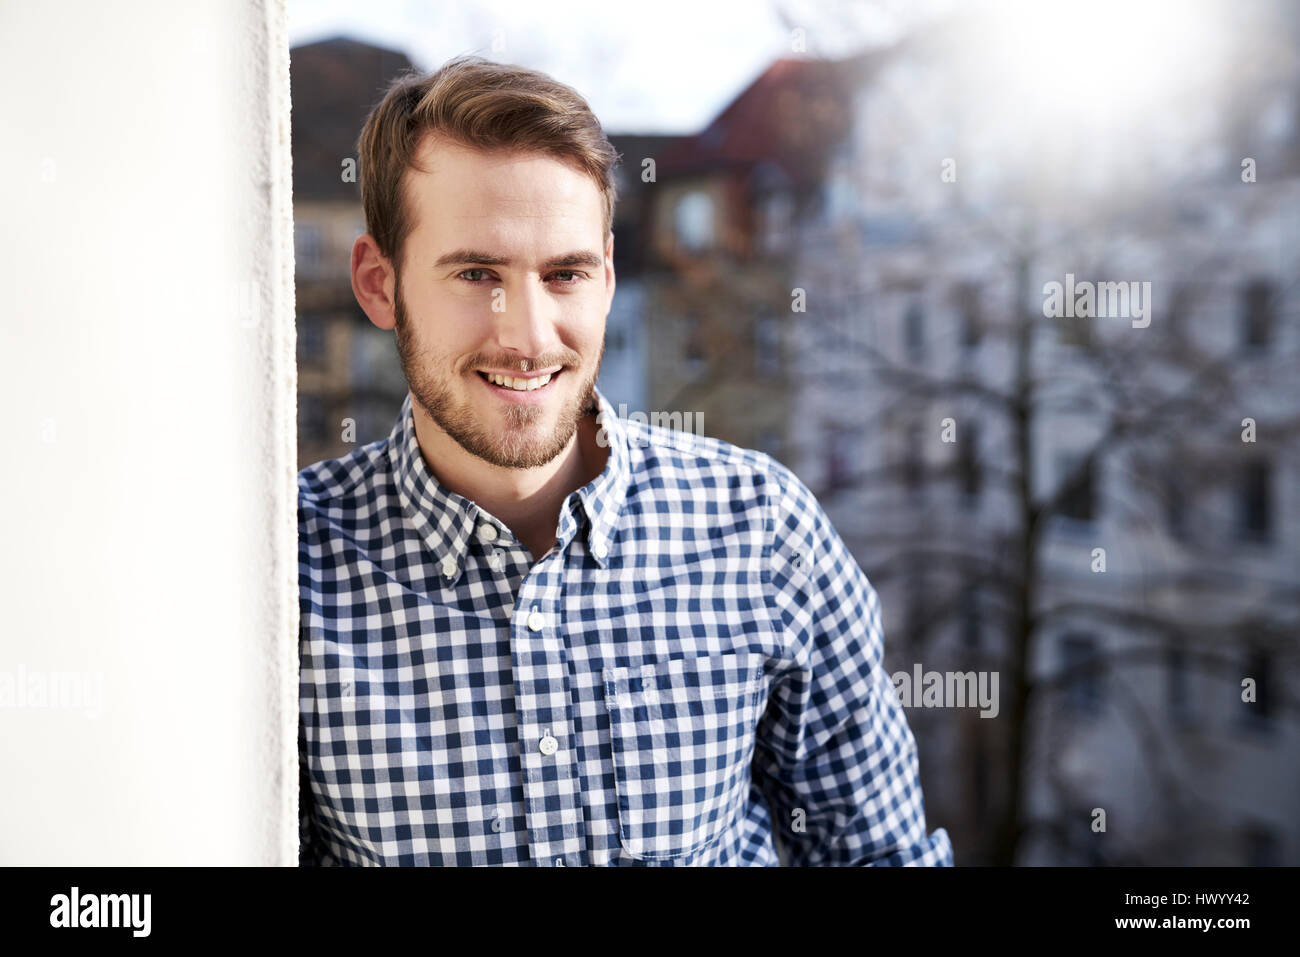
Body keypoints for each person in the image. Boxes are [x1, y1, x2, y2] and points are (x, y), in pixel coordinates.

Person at [298, 54, 953, 867]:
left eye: (564, 273)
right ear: (378, 283)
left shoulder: (765, 533)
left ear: (607, 278)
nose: (528, 335)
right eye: (476, 273)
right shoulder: (291, 572)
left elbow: (879, 855)